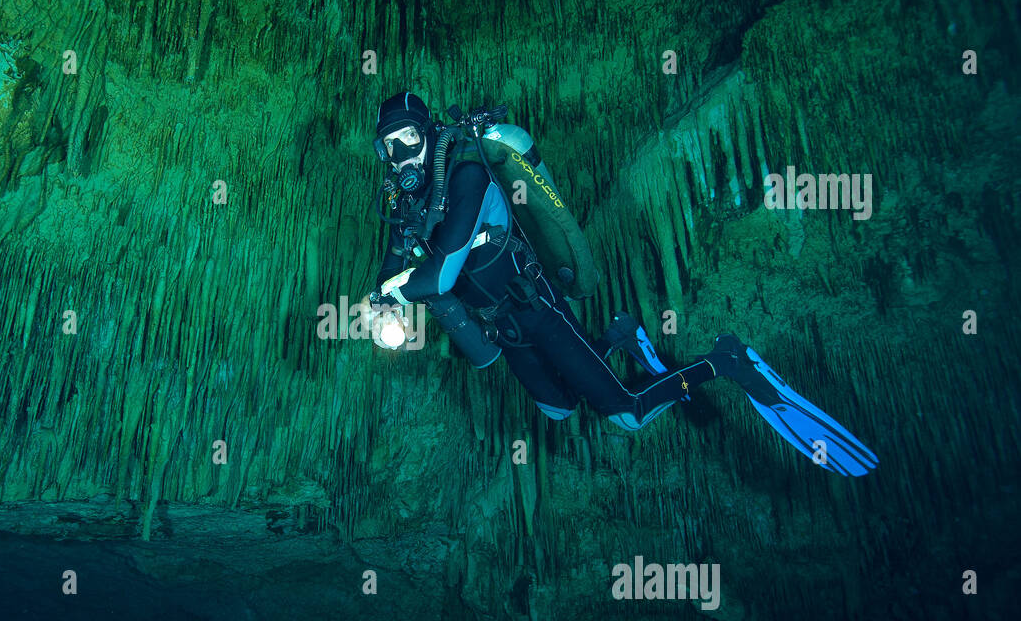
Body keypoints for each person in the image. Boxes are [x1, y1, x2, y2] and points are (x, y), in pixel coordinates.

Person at [367, 91, 878, 476]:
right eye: (389, 147)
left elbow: (441, 273)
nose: (400, 155)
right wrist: (379, 298)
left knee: (628, 414)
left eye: (408, 138)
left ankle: (726, 361)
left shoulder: (467, 174)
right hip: (502, 329)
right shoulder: (406, 208)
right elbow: (392, 271)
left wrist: (392, 293)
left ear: (429, 134)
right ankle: (618, 338)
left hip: (539, 307)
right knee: (558, 410)